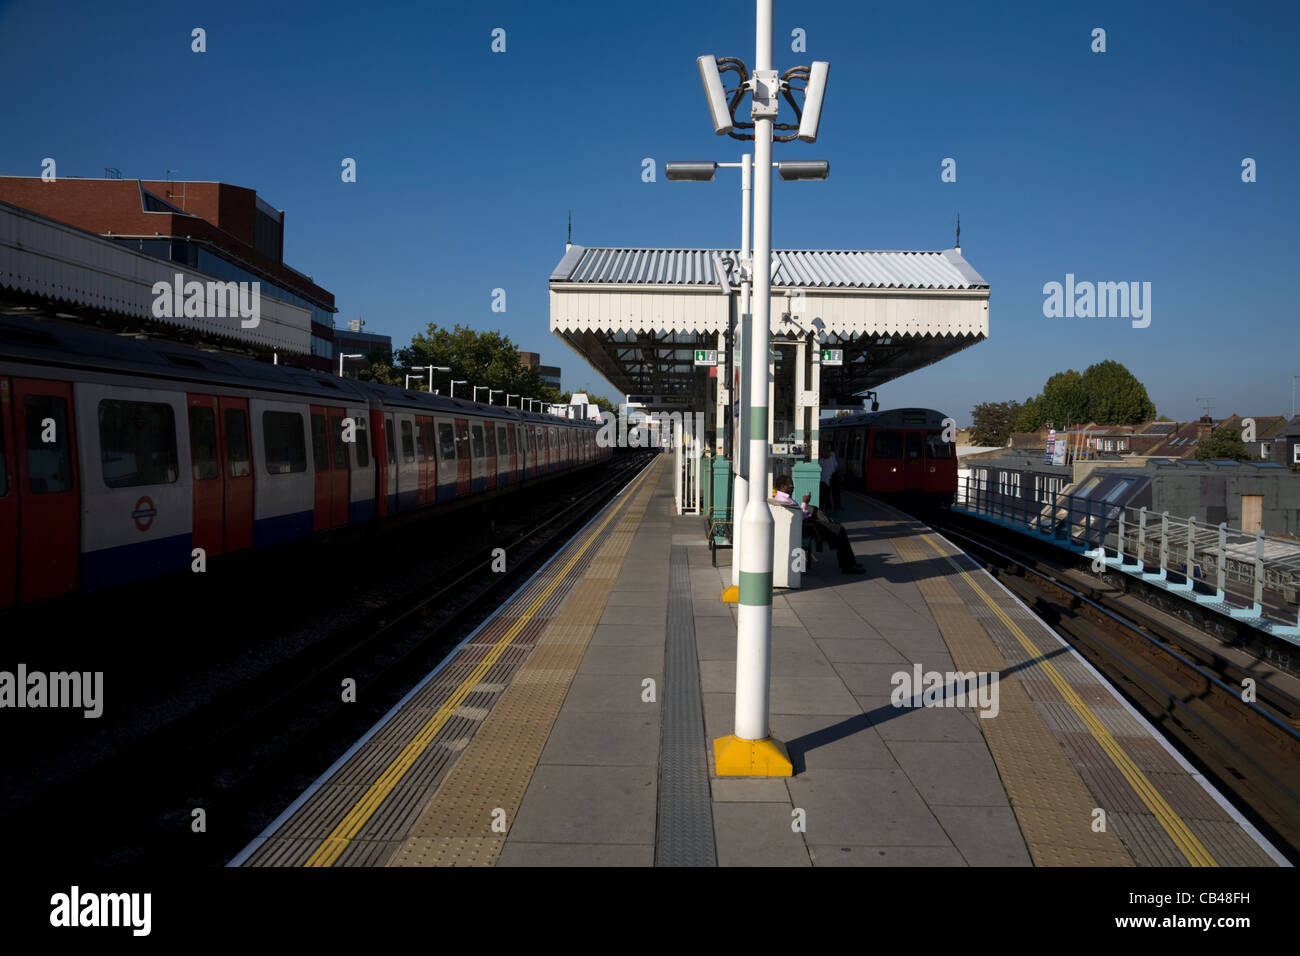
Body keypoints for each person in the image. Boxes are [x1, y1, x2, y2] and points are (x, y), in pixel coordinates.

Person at [773, 475, 864, 574]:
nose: (793, 487)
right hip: (807, 528)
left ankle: (850, 562)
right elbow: (799, 517)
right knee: (840, 531)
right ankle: (847, 566)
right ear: (783, 487)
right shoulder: (785, 500)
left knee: (837, 529)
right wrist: (804, 503)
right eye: (791, 485)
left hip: (804, 526)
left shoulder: (780, 497)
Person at [820, 445, 841, 510]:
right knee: (828, 493)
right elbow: (834, 468)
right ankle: (831, 506)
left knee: (823, 495)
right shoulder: (831, 456)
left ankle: (825, 506)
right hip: (828, 478)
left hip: (821, 479)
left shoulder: (820, 457)